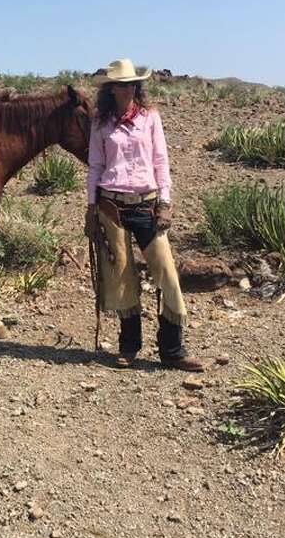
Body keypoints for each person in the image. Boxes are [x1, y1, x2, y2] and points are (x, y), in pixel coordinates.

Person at [84, 59, 205, 371]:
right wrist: (90, 208)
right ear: (110, 89)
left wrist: (165, 202)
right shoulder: (100, 123)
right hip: (112, 205)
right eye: (118, 84)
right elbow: (95, 167)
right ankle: (129, 347)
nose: (124, 89)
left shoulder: (150, 118)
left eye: (129, 84)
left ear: (136, 86)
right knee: (122, 278)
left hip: (147, 204)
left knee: (166, 272)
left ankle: (172, 350)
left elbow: (161, 162)